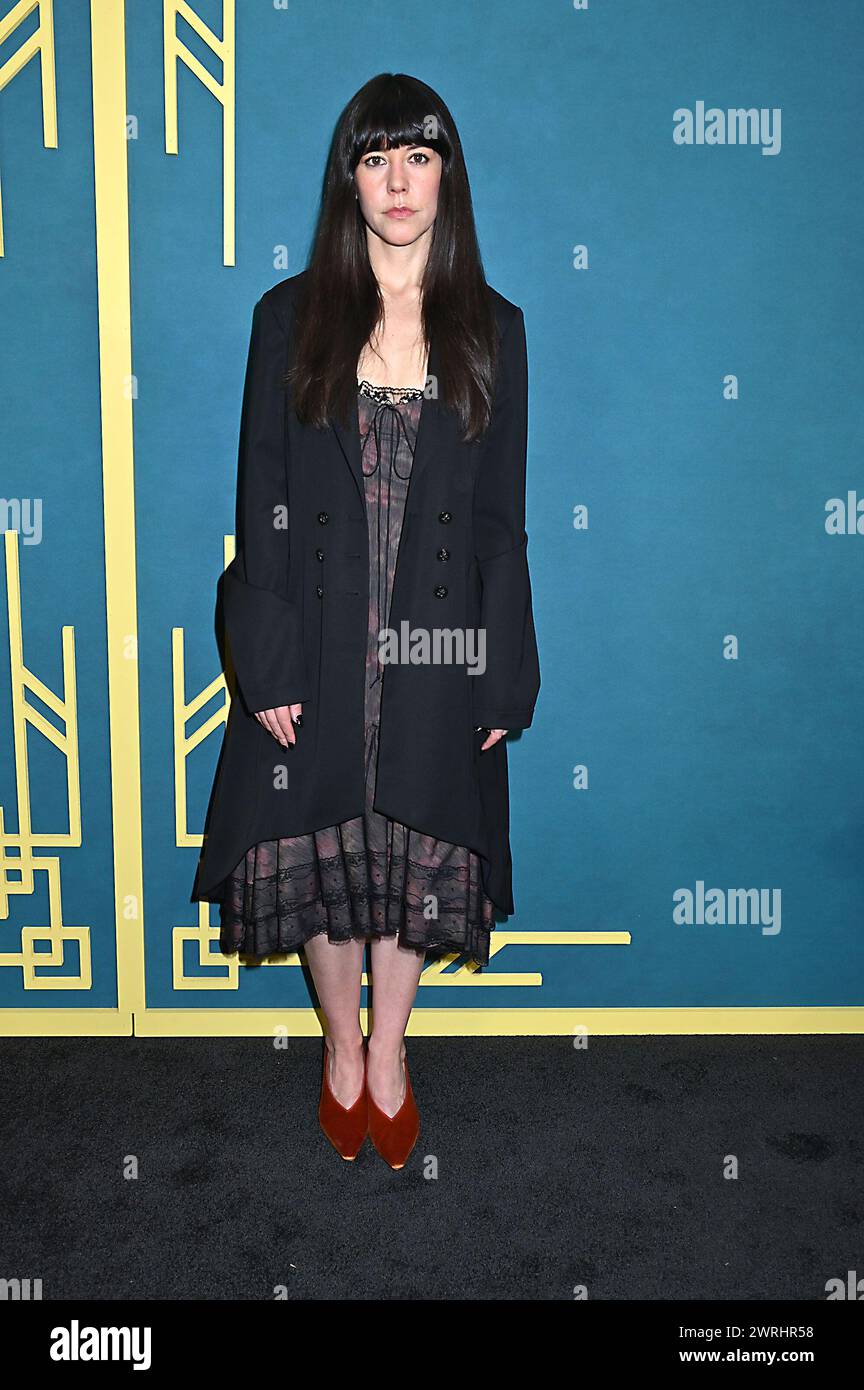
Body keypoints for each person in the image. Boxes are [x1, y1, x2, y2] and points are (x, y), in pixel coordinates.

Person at [191, 72, 540, 1169]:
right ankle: (340, 1047)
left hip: (434, 639)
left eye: (420, 155)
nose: (399, 180)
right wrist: (271, 657)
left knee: (411, 855)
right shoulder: (288, 319)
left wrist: (500, 673)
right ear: (350, 177)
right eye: (377, 157)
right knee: (328, 851)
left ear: (448, 174)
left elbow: (500, 521)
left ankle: (391, 1051)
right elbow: (260, 495)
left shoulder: (494, 329)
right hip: (324, 634)